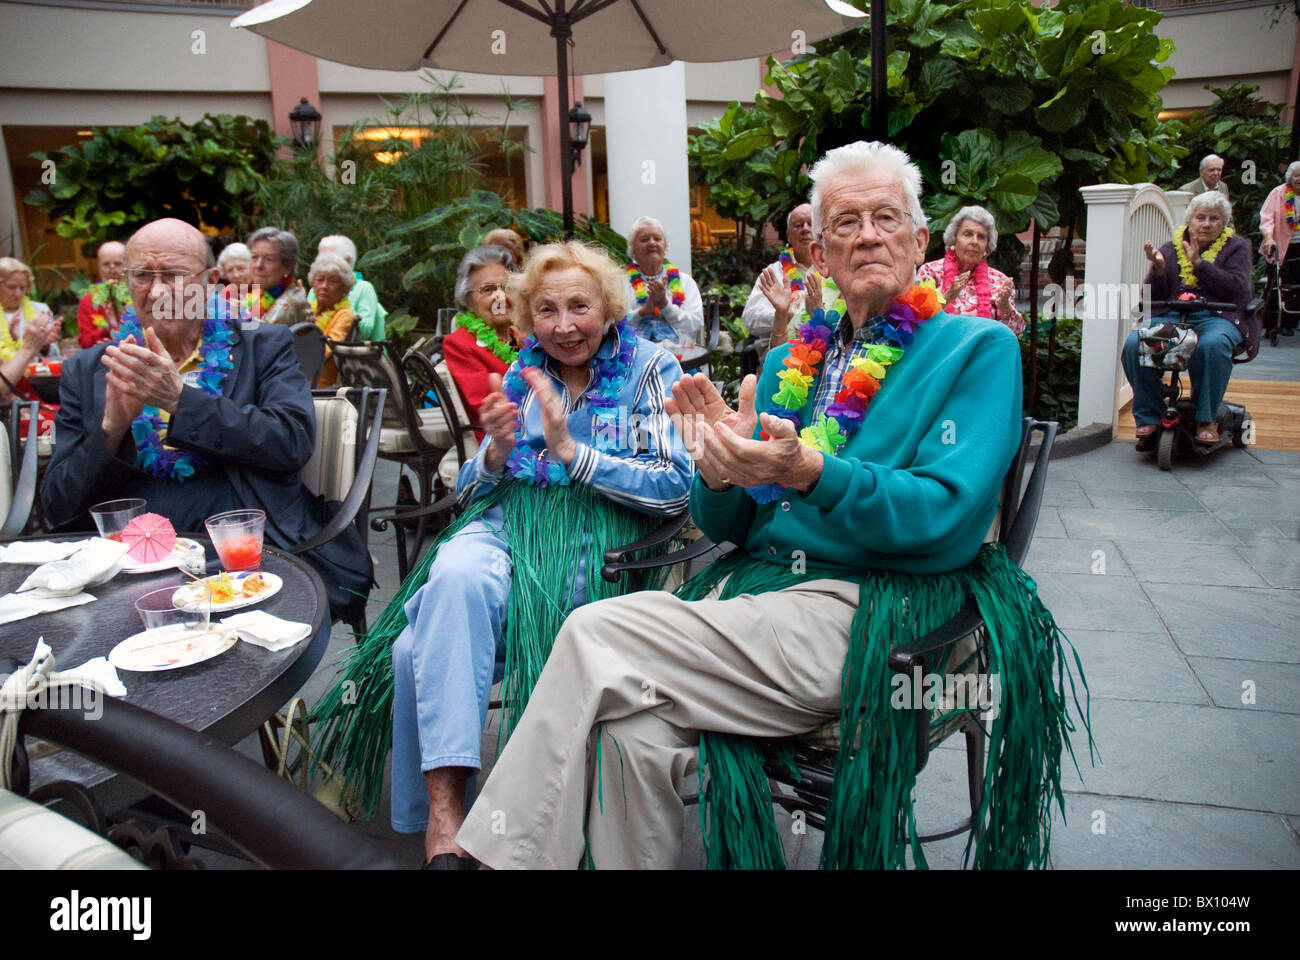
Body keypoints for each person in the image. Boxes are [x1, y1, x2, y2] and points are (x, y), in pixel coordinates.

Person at [455, 141, 1081, 870]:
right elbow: (733, 528)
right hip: (761, 597)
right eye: (844, 222)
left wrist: (812, 471)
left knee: (595, 633)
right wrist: (722, 472)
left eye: (886, 217)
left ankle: (490, 859)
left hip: (882, 606)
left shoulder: (975, 348)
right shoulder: (790, 361)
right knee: (630, 740)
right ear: (821, 251)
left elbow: (944, 517)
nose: (867, 235)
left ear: (918, 239)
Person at [311, 240, 693, 869]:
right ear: (526, 317)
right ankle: (448, 821)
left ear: (609, 308)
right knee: (455, 571)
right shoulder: (521, 372)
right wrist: (491, 455)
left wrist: (576, 455)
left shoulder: (653, 368)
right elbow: (467, 488)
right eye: (546, 310)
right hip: (505, 522)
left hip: (600, 542)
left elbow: (676, 485)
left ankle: (465, 819)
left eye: (580, 306)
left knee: (413, 647)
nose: (564, 325)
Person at [40, 218, 373, 625]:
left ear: (210, 280)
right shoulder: (91, 369)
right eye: (143, 276)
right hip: (123, 564)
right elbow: (56, 507)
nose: (158, 292)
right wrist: (111, 428)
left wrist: (180, 401)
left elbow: (291, 441)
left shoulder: (263, 345)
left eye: (174, 276)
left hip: (240, 547)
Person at [1122, 191, 1254, 446]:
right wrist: (1159, 271)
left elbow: (1238, 289)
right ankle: (1150, 414)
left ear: (1223, 223)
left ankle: (1206, 418)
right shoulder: (1171, 247)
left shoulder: (1236, 247)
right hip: (1173, 315)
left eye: (1214, 219)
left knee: (1211, 346)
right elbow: (1150, 297)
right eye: (1200, 218)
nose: (1206, 224)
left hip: (1217, 316)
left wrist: (1199, 264)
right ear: (1190, 221)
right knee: (1134, 343)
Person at [442, 245, 519, 440]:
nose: (500, 297)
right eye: (488, 289)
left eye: (507, 287)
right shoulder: (459, 344)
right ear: (467, 300)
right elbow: (488, 408)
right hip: (505, 442)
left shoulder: (521, 336)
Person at [742, 203, 840, 352]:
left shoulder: (837, 268)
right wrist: (786, 315)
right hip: (783, 354)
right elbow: (750, 318)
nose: (805, 229)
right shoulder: (775, 272)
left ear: (821, 231)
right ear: (788, 235)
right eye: (798, 225)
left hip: (830, 350)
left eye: (811, 224)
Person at [917, 205, 1025, 335]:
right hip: (942, 351)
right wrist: (948, 297)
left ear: (987, 246)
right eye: (967, 234)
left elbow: (1015, 333)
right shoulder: (930, 272)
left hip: (983, 352)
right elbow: (918, 320)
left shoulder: (1000, 281)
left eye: (981, 237)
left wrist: (1004, 306)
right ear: (954, 239)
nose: (975, 241)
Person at [622, 216, 703, 347]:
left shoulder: (685, 282)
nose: (652, 243)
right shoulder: (620, 284)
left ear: (664, 246)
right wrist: (642, 312)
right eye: (644, 239)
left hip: (678, 356)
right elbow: (613, 324)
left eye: (657, 239)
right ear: (632, 249)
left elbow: (694, 323)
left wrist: (665, 305)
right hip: (635, 356)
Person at [312, 235, 387, 342]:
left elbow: (364, 333)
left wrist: (341, 315)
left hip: (355, 355)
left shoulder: (364, 288)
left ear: (347, 261)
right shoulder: (316, 289)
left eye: (328, 258)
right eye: (320, 258)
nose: (322, 263)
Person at [307, 252, 357, 388]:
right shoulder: (307, 310)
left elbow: (325, 351)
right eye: (320, 280)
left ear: (344, 288)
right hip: (294, 384)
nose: (324, 286)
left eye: (333, 281)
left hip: (320, 390)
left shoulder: (345, 315)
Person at [1, 257, 61, 364]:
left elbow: (55, 357)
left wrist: (45, 346)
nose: (18, 294)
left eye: (23, 287)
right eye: (11, 287)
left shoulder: (40, 310)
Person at [247, 226, 311, 327]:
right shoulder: (259, 293)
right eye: (254, 257)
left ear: (288, 267)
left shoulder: (287, 304)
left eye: (269, 259)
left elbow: (253, 337)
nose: (258, 265)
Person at [75, 241, 130, 349]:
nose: (112, 269)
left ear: (127, 266)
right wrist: (107, 328)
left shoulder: (139, 295)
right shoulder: (88, 301)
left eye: (118, 264)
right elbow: (84, 342)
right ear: (99, 267)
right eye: (106, 264)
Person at [1258, 160, 1300, 263]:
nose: (1299, 179)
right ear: (1290, 177)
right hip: (1282, 246)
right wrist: (1268, 237)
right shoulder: (1277, 193)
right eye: (1297, 176)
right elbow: (1267, 218)